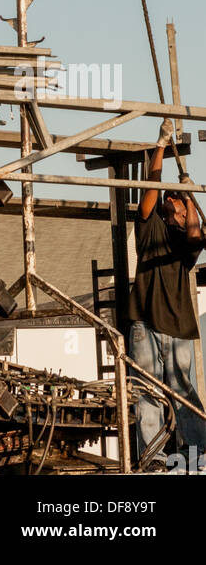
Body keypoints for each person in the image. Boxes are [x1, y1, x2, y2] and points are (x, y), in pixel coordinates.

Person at [128, 117, 206, 472]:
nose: (174, 201)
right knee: (148, 391)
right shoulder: (150, 227)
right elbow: (151, 188)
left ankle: (197, 455)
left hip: (179, 329)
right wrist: (160, 146)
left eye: (179, 200)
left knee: (183, 389)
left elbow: (194, 233)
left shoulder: (184, 244)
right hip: (146, 323)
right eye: (172, 199)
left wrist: (190, 196)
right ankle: (155, 461)